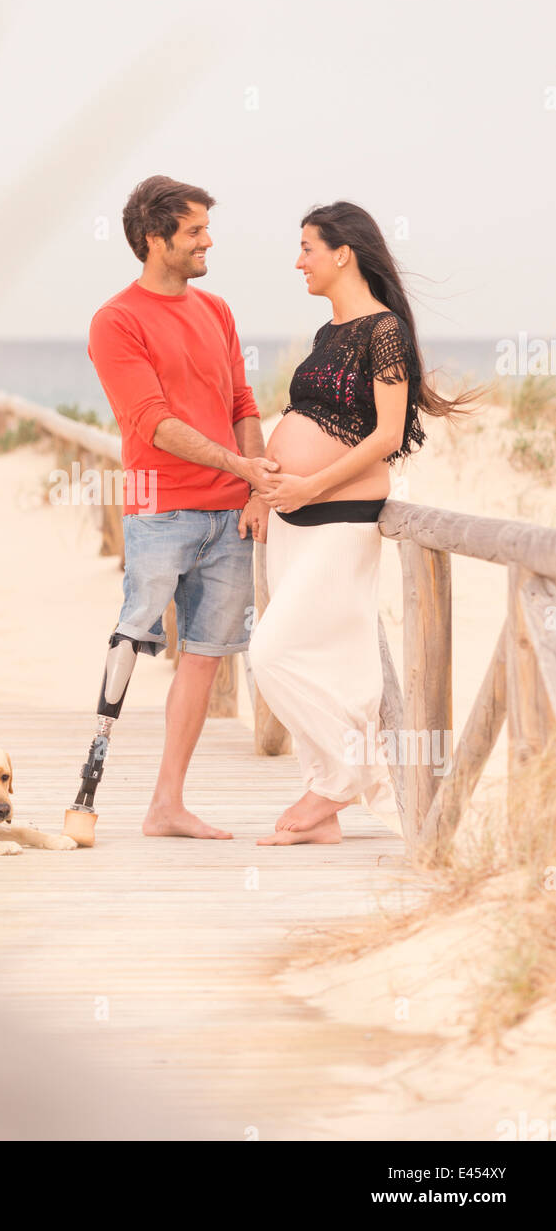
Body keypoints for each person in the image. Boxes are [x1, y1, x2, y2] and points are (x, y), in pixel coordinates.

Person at [250, 201, 483, 845]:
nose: (298, 261)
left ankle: (344, 779)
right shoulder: (330, 331)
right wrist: (266, 490)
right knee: (325, 658)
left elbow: (384, 434)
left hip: (338, 519)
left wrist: (307, 484)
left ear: (342, 253)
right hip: (294, 519)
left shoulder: (384, 333)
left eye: (307, 248)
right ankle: (323, 807)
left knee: (270, 653)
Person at [87, 175, 277, 839]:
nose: (207, 240)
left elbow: (241, 406)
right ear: (154, 239)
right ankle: (92, 782)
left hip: (230, 516)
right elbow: (151, 422)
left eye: (204, 228)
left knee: (203, 655)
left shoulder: (215, 310)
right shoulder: (116, 321)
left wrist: (252, 487)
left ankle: (166, 803)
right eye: (194, 230)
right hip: (158, 511)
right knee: (135, 640)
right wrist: (239, 466)